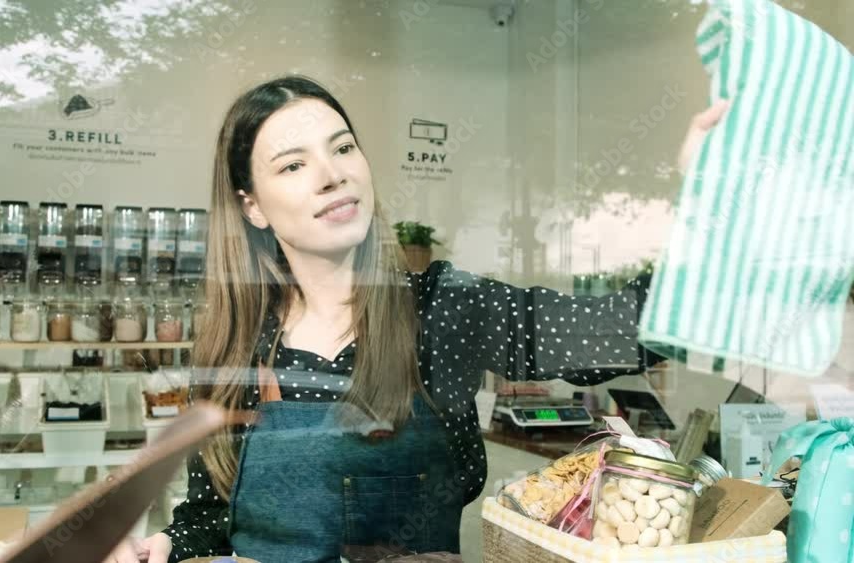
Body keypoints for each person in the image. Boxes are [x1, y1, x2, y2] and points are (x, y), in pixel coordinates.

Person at [109, 75, 725, 563]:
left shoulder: (443, 309)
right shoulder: (239, 345)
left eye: (343, 148)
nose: (332, 175)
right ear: (253, 207)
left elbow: (628, 331)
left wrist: (710, 199)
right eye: (293, 165)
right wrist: (166, 545)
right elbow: (210, 513)